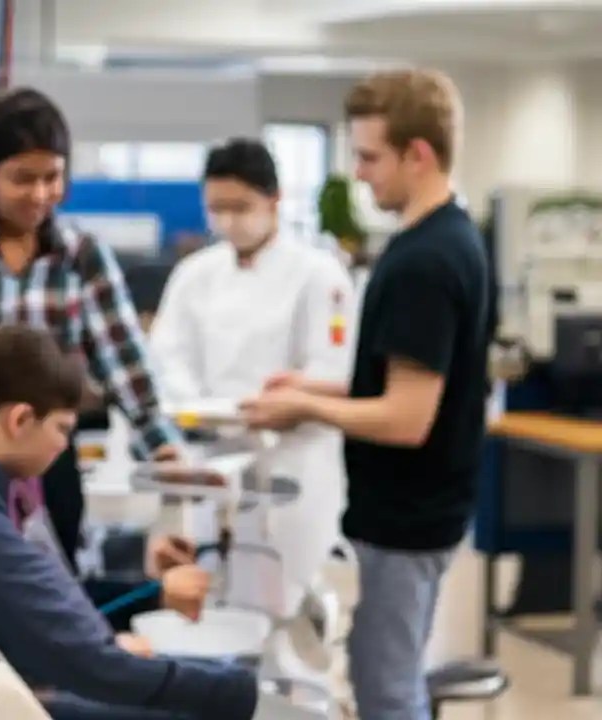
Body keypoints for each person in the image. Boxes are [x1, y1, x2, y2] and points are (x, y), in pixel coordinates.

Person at [241, 69, 490, 720]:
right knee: (385, 676)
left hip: (407, 519)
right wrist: (314, 384)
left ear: (420, 154)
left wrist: (303, 407)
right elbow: (405, 382)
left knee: (386, 693)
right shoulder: (450, 239)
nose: (358, 174)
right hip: (424, 511)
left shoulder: (424, 263)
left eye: (369, 157)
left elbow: (406, 417)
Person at [0, 87, 183, 577]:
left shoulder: (82, 258)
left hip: (51, 470)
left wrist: (165, 451)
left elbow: (128, 367)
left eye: (52, 177)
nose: (40, 194)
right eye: (22, 178)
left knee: (57, 593)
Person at [0, 324, 257, 720]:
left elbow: (53, 602)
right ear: (20, 419)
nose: (62, 447)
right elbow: (91, 663)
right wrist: (237, 690)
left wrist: (149, 596)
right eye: (61, 429)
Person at [148, 138, 354, 619]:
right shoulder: (195, 274)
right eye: (216, 208)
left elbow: (332, 368)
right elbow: (166, 355)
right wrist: (195, 403)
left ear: (274, 200)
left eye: (241, 207)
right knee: (210, 604)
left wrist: (285, 401)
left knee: (287, 609)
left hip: (290, 462)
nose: (228, 220)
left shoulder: (318, 274)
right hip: (210, 455)